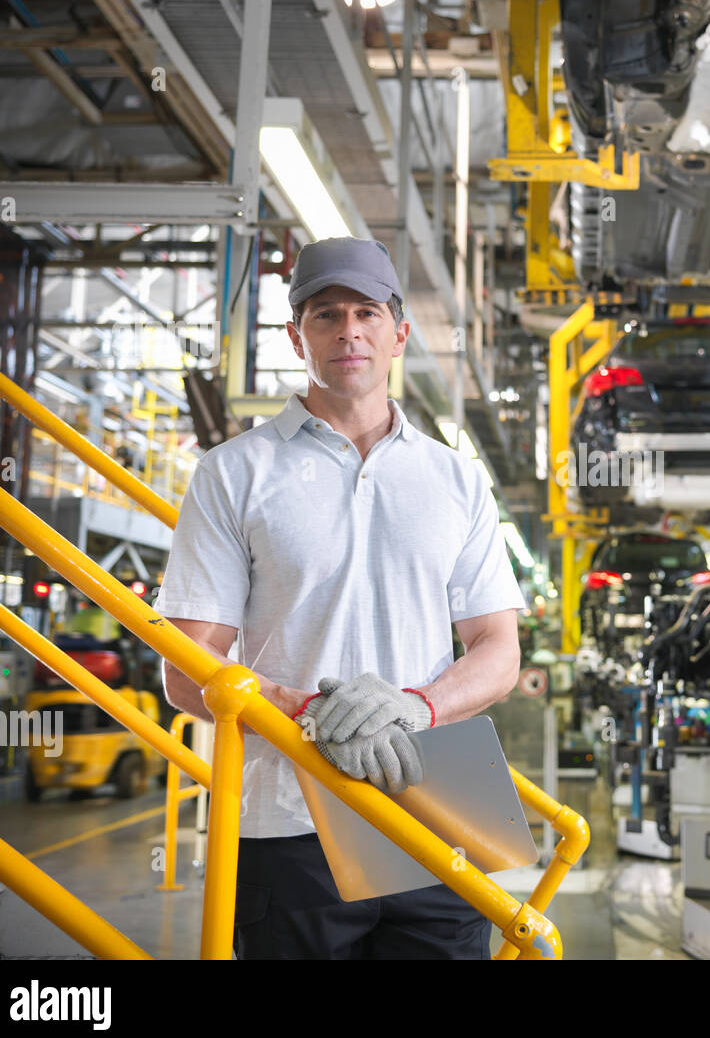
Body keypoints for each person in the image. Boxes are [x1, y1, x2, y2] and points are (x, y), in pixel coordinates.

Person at [155, 236, 524, 959]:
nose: (348, 330)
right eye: (325, 314)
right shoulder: (233, 474)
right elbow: (187, 666)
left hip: (437, 807)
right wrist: (310, 711)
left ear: (399, 333)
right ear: (298, 335)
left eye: (366, 312)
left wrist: (416, 705)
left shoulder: (457, 480)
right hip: (291, 820)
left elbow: (499, 648)